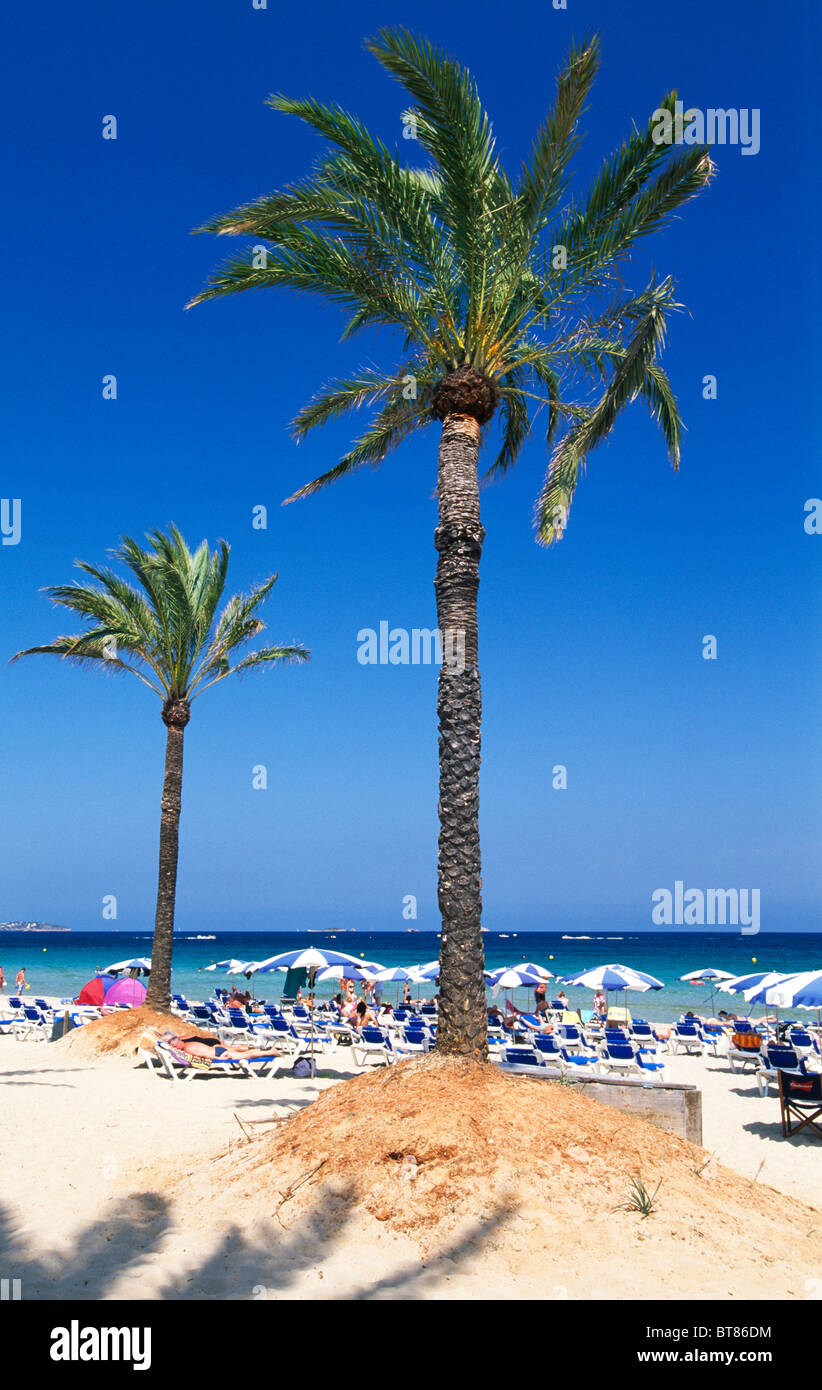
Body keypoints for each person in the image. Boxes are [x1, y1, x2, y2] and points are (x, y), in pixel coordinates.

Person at [159, 1031, 279, 1061]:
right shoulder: (187, 1043)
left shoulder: (188, 1047)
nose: (173, 1046)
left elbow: (203, 1054)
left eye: (171, 1043)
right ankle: (263, 1050)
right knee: (243, 1052)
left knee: (245, 1056)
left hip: (218, 1052)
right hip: (216, 1049)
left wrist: (219, 1058)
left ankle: (270, 1052)